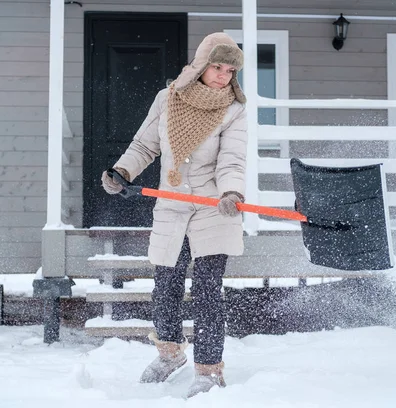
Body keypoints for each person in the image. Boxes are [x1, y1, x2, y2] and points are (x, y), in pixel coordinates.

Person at [101, 32, 247, 398]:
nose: (223, 76)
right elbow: (144, 144)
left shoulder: (234, 110)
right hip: (171, 202)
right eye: (217, 67)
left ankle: (210, 370)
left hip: (214, 206)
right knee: (166, 284)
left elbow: (232, 159)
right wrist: (123, 172)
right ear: (201, 65)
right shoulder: (167, 100)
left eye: (230, 70)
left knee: (208, 290)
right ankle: (169, 353)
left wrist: (232, 192)